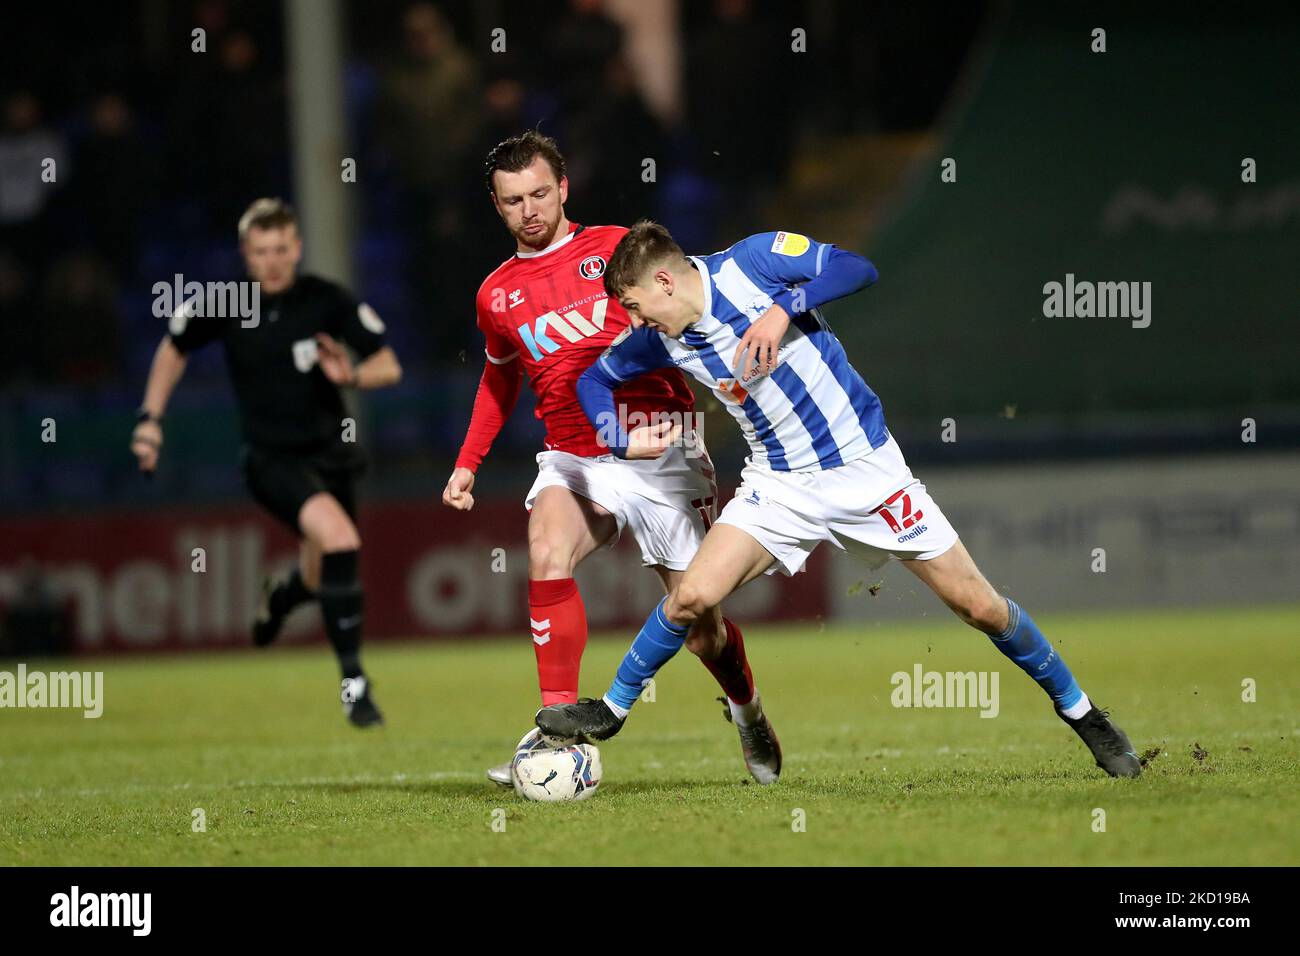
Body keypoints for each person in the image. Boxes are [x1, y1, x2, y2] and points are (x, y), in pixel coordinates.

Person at [537, 220, 1142, 779]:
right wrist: (616, 436)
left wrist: (783, 310)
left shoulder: (754, 261)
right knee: (692, 597)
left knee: (979, 607)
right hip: (779, 485)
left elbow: (858, 267)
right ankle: (612, 711)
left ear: (664, 280)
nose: (638, 323)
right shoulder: (662, 340)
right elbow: (594, 377)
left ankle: (1084, 715)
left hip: (866, 472)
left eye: (638, 308)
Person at [442, 133, 779, 787]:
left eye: (540, 193)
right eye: (513, 201)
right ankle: (557, 728)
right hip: (574, 453)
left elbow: (691, 313)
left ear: (564, 188)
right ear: (496, 205)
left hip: (663, 447)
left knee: (700, 623)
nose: (530, 210)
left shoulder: (617, 251)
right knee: (546, 549)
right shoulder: (496, 295)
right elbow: (498, 378)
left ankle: (747, 709)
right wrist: (468, 461)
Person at [130, 198, 402, 727]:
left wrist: (351, 376)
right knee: (342, 540)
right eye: (261, 252)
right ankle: (355, 686)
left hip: (331, 459)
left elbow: (388, 365)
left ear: (296, 248)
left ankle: (282, 596)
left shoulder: (325, 300)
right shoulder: (225, 301)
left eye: (281, 249)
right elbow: (172, 349)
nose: (273, 261)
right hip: (270, 461)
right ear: (245, 254)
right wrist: (149, 419)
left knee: (321, 570)